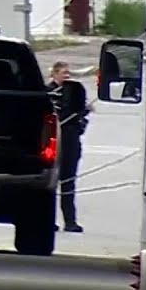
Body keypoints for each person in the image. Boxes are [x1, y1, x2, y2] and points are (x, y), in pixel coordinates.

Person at [47, 60, 89, 233]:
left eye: (68, 73)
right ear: (55, 73)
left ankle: (70, 221)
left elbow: (79, 114)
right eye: (63, 72)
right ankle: (48, 221)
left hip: (71, 142)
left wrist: (83, 113)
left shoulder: (74, 91)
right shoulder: (47, 92)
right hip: (54, 142)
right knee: (50, 184)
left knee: (69, 182)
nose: (66, 76)